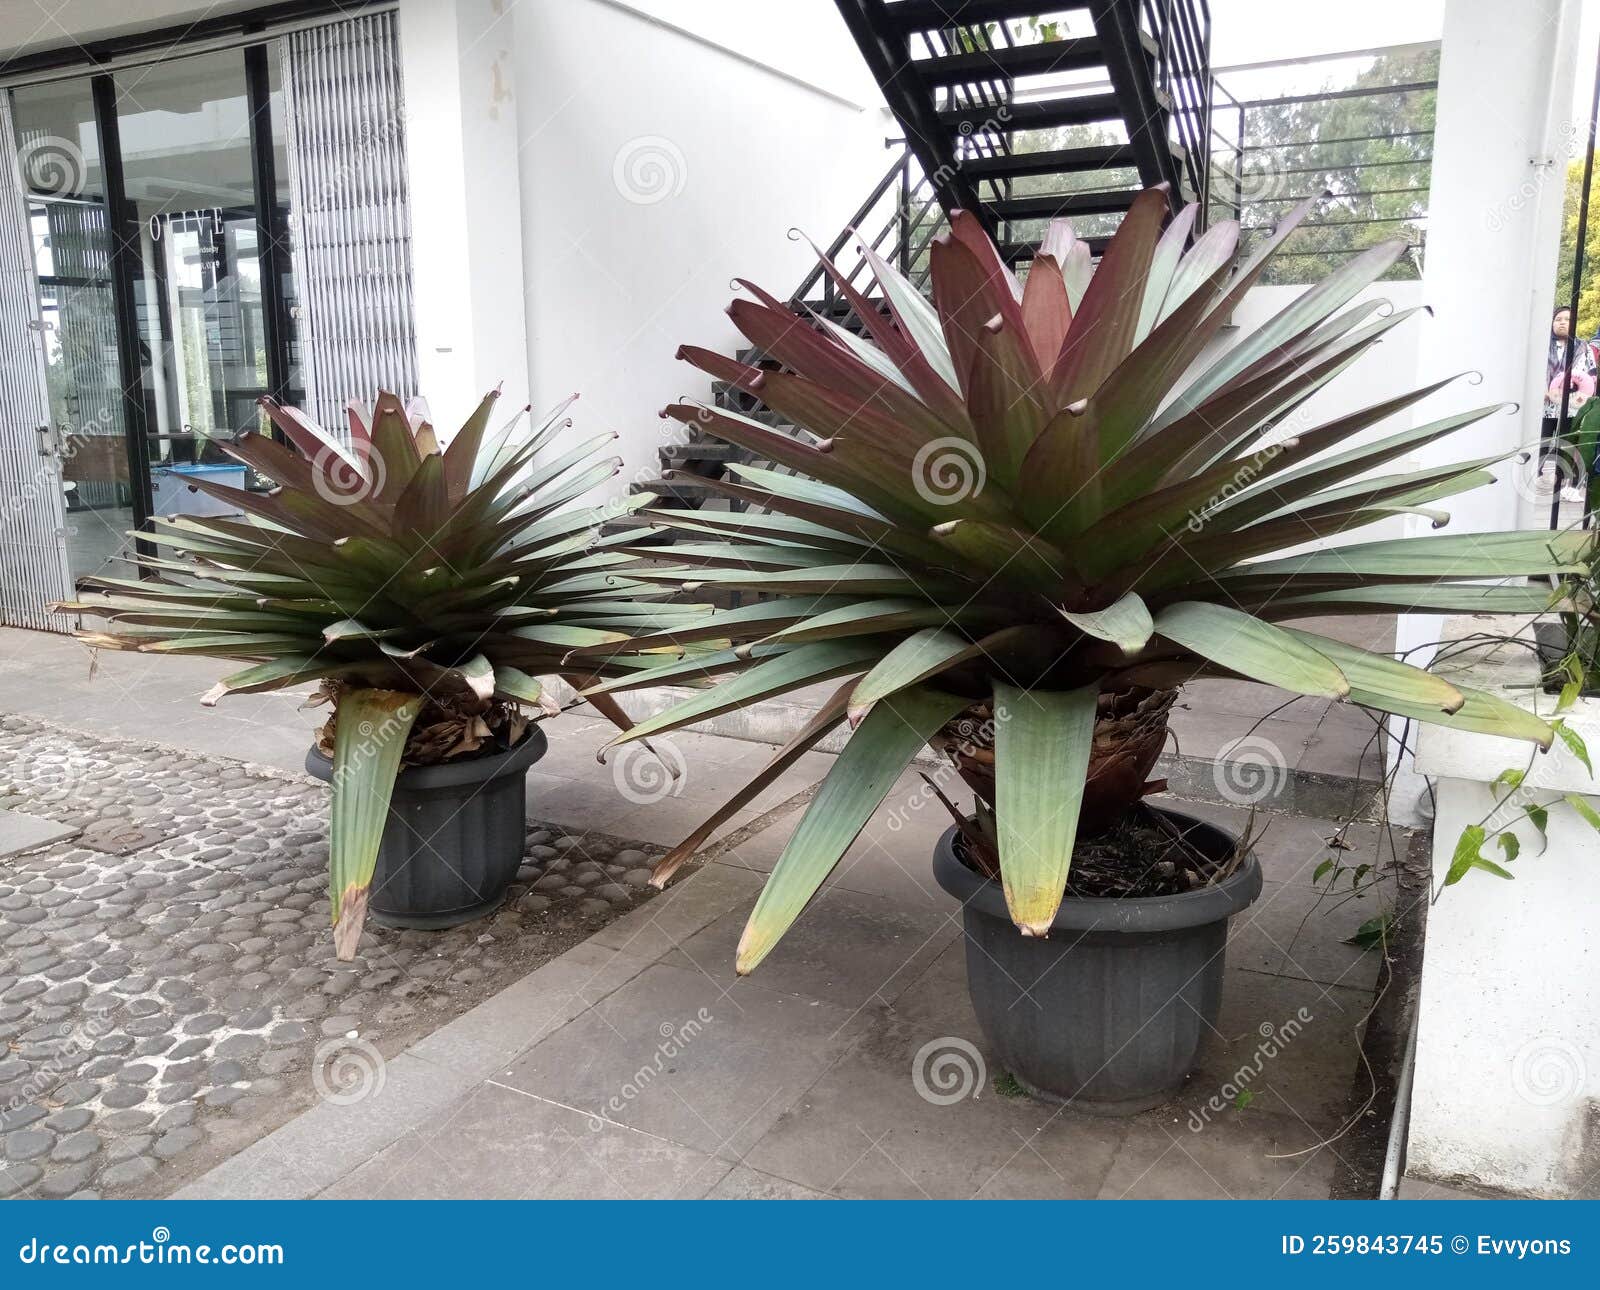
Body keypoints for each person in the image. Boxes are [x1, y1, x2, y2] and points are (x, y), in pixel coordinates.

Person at [1543, 306, 1597, 500]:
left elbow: (1591, 375)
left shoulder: (1583, 347)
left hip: (1573, 406)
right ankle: (1537, 473)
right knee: (1542, 441)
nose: (1563, 322)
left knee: (1567, 445)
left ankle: (1565, 484)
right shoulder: (1542, 346)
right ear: (1551, 322)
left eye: (1567, 319)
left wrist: (1585, 399)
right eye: (1558, 319)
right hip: (1546, 406)